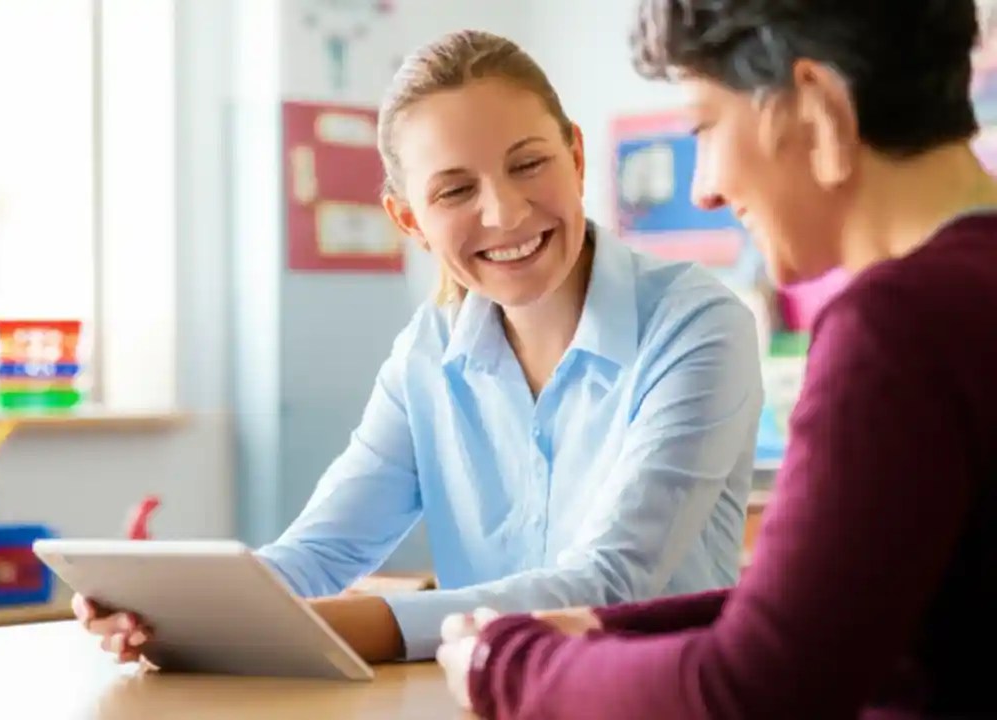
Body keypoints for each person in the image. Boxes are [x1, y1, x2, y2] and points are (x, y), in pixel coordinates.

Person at [74, 28, 763, 666]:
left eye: (528, 164)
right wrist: (179, 609)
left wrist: (359, 626)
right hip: (494, 698)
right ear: (409, 219)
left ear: (576, 157)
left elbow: (612, 584)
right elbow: (322, 550)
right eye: (456, 189)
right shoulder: (427, 356)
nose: (505, 212)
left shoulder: (697, 323)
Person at [438, 2, 997, 718]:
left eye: (704, 126)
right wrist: (609, 629)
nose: (704, 187)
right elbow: (829, 613)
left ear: (819, 108)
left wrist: (503, 666)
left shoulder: (897, 327)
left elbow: (754, 688)